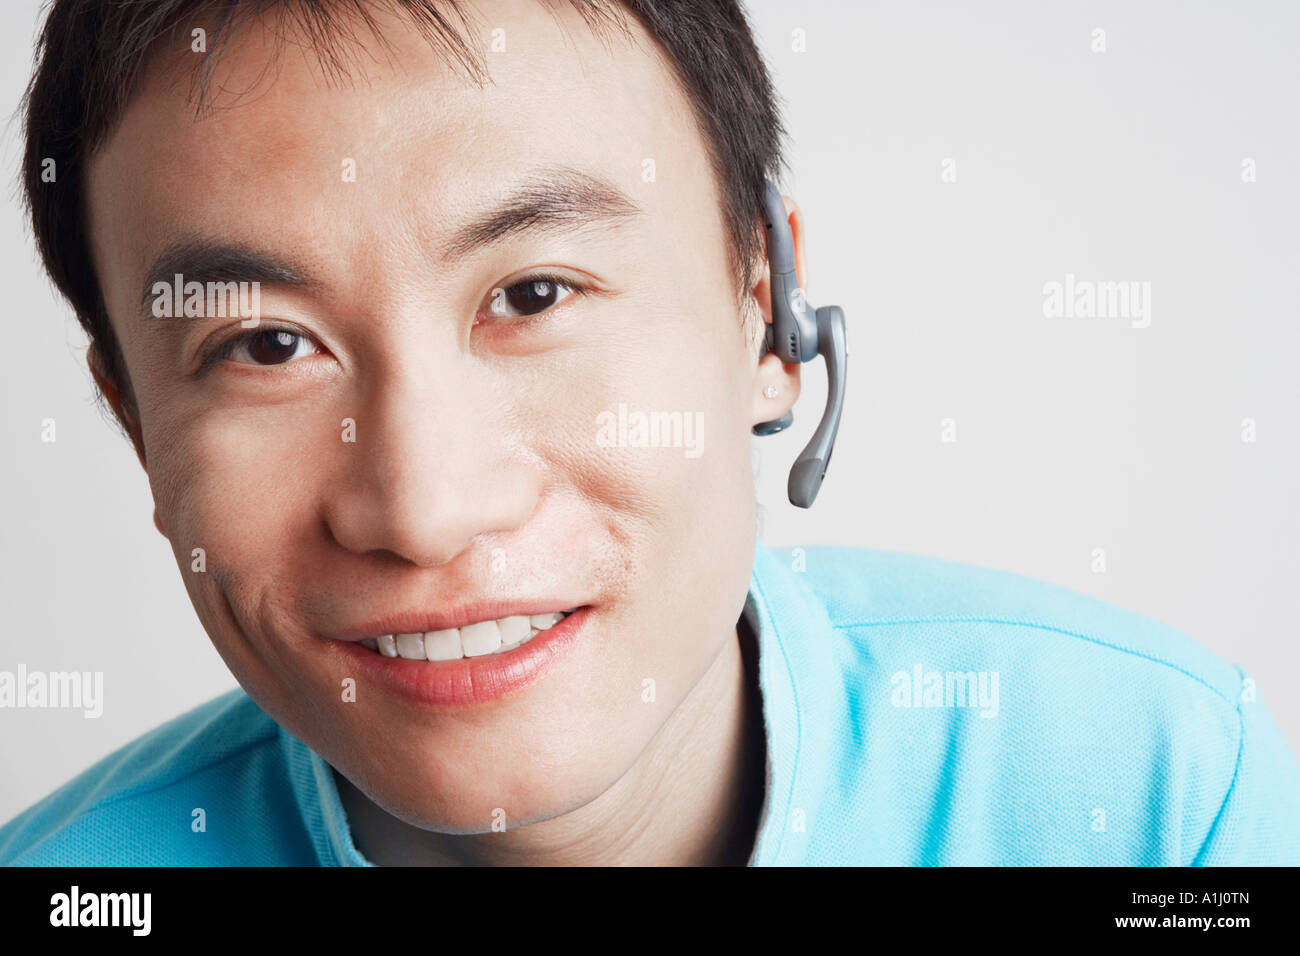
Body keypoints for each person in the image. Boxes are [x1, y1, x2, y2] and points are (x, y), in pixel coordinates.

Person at [2, 0, 1297, 866]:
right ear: (133, 423)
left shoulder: (1155, 798)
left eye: (534, 295)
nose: (426, 506)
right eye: (267, 346)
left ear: (763, 311)